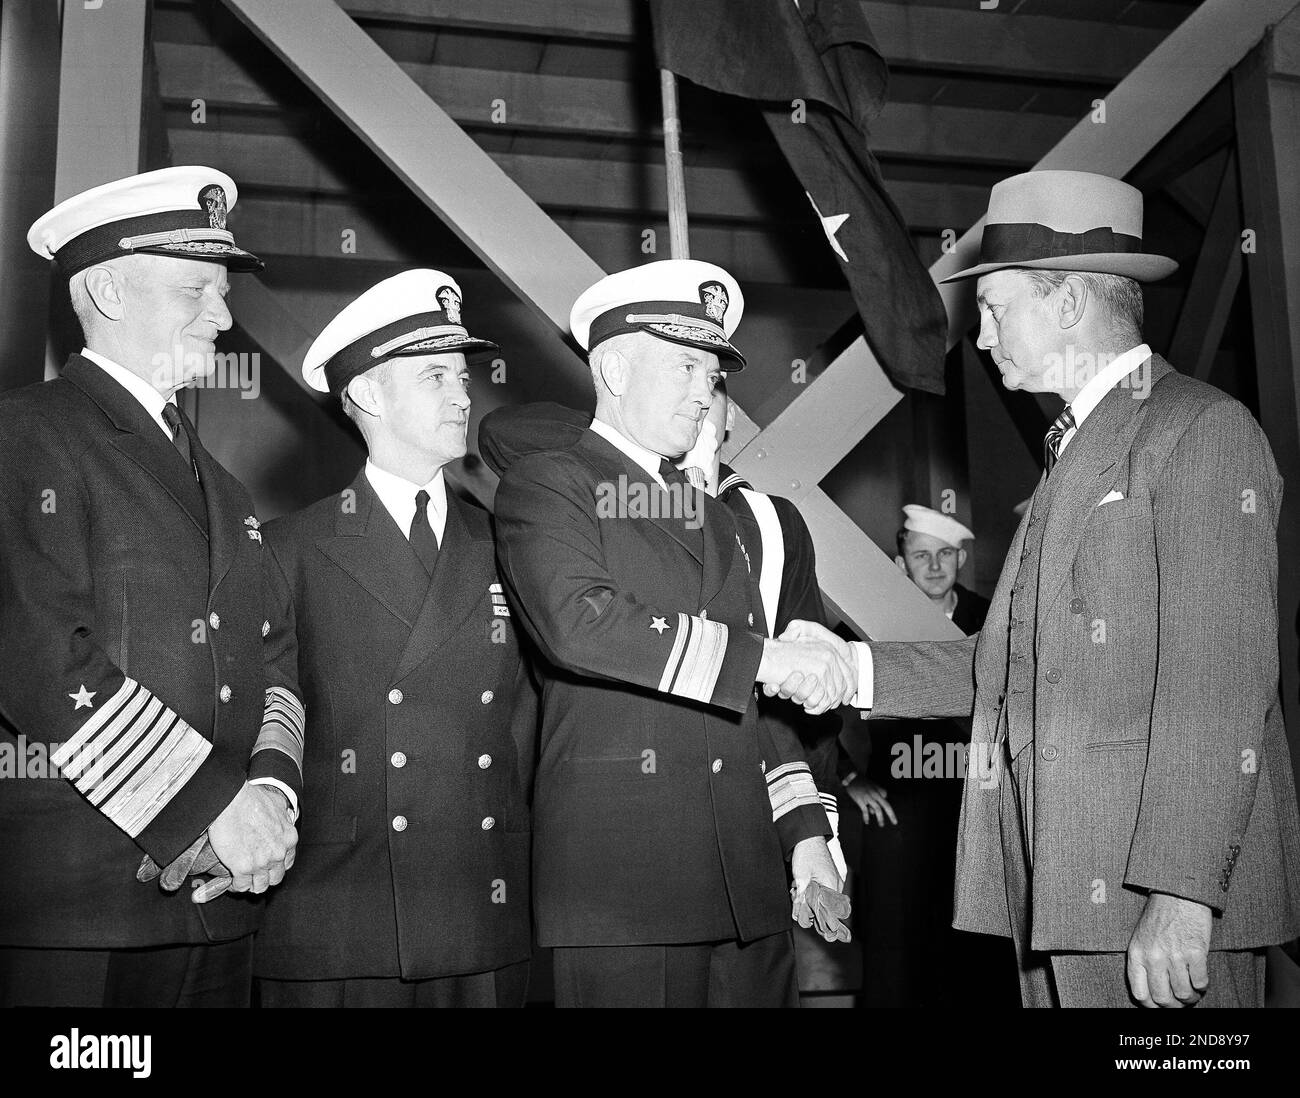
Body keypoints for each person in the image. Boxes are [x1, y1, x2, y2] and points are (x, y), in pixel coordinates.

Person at [781, 169, 1300, 1007]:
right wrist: (849, 669)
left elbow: (1222, 683)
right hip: (1060, 891)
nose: (981, 338)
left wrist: (1183, 895)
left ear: (1067, 306)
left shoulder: (1198, 430)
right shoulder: (1077, 451)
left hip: (1145, 907)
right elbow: (1009, 661)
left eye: (995, 309)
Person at [484, 259, 857, 1007]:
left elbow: (756, 707)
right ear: (614, 369)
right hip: (624, 889)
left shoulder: (711, 513)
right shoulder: (553, 482)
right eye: (687, 364)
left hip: (743, 884)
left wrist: (805, 836)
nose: (706, 390)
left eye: (713, 371)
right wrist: (769, 658)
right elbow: (580, 623)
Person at [0, 166, 303, 1007]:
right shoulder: (26, 435)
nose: (225, 313)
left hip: (221, 899)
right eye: (196, 287)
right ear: (105, 289)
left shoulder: (226, 487)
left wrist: (269, 796)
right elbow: (44, 662)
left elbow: (277, 661)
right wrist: (213, 808)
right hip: (83, 907)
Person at [253, 270, 538, 1008]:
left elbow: (533, 724)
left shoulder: (513, 543)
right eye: (435, 375)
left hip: (480, 902)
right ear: (370, 396)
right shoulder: (290, 548)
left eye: (464, 374)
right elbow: (259, 719)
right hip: (342, 917)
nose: (463, 394)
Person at [845, 505, 1016, 1006]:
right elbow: (813, 700)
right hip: (901, 809)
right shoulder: (867, 622)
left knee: (979, 949)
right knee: (897, 949)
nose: (935, 566)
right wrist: (847, 775)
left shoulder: (993, 619)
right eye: (921, 555)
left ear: (961, 559)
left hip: (979, 810)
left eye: (945, 554)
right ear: (900, 565)